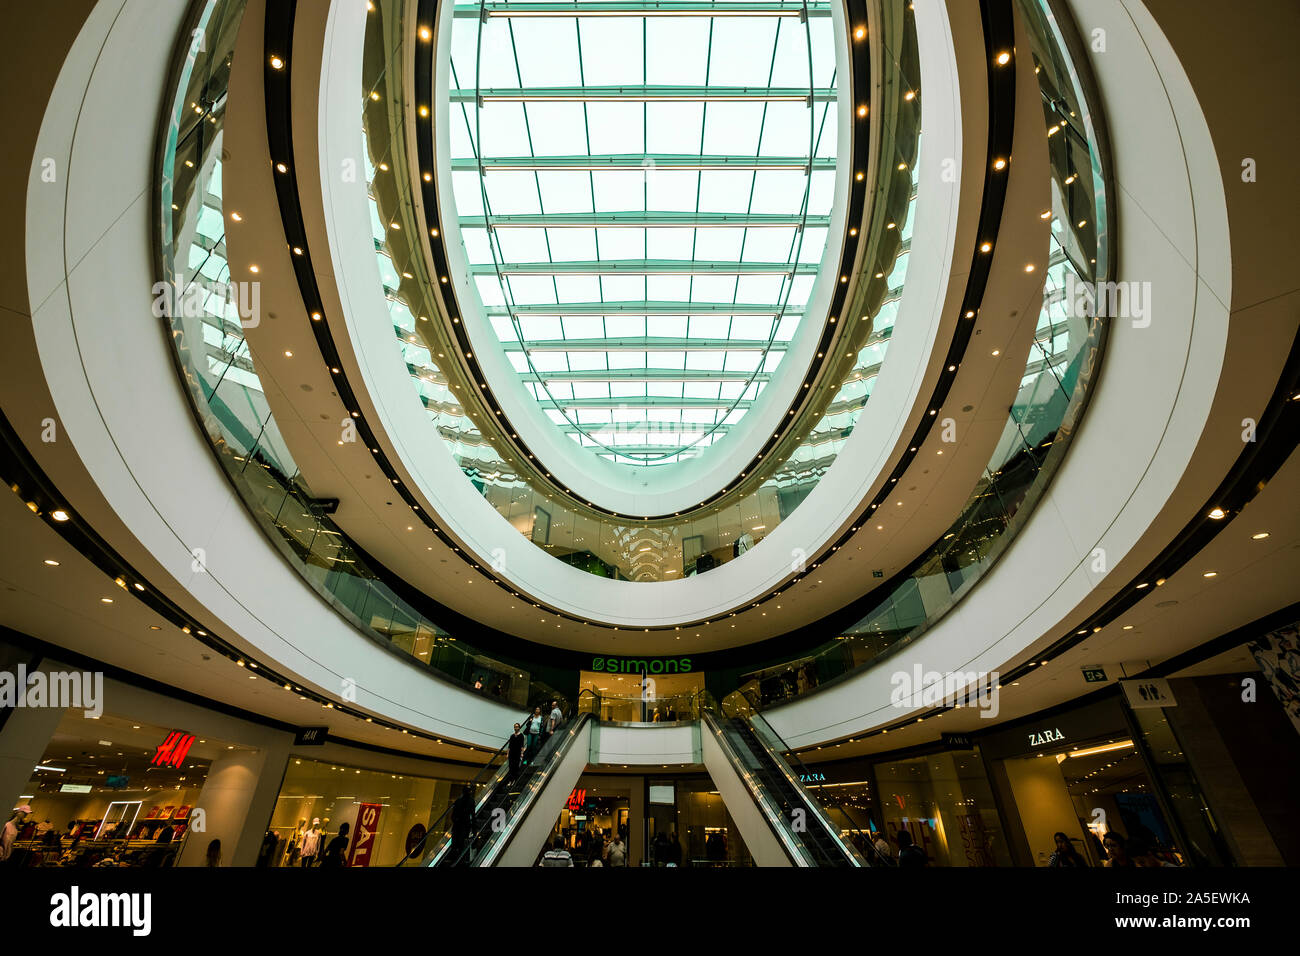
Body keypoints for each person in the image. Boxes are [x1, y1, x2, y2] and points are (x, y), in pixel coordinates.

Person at [450, 785, 475, 865]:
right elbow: (473, 815)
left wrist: (456, 820)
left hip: (457, 826)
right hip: (464, 826)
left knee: (455, 844)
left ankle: (454, 860)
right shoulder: (471, 801)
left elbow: (453, 815)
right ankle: (460, 861)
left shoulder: (458, 801)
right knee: (461, 844)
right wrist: (474, 828)